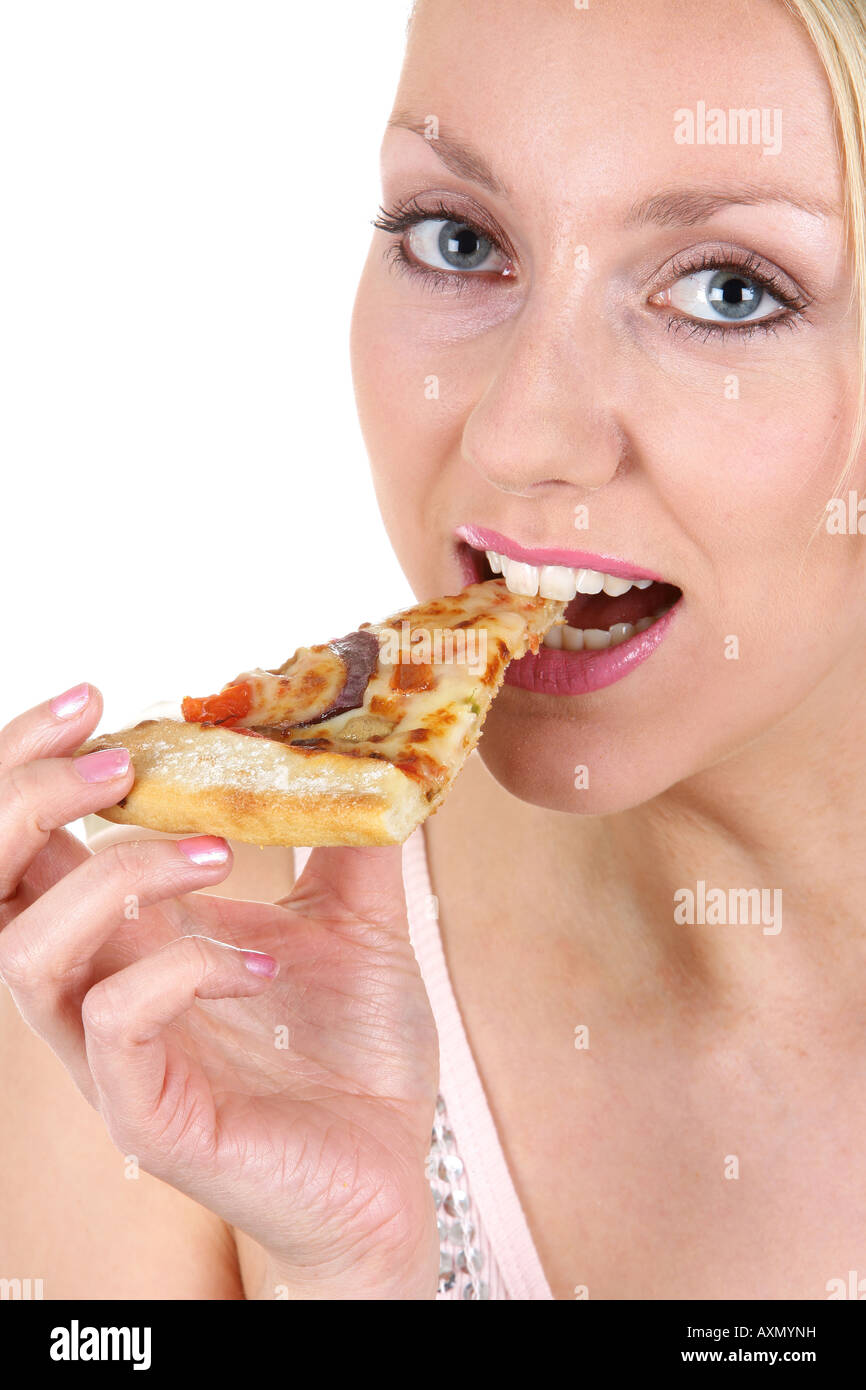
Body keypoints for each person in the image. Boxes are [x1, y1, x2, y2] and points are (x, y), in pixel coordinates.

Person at [2, 0, 865, 1301]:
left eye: (728, 292)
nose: (518, 433)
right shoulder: (175, 984)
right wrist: (345, 1267)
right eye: (457, 239)